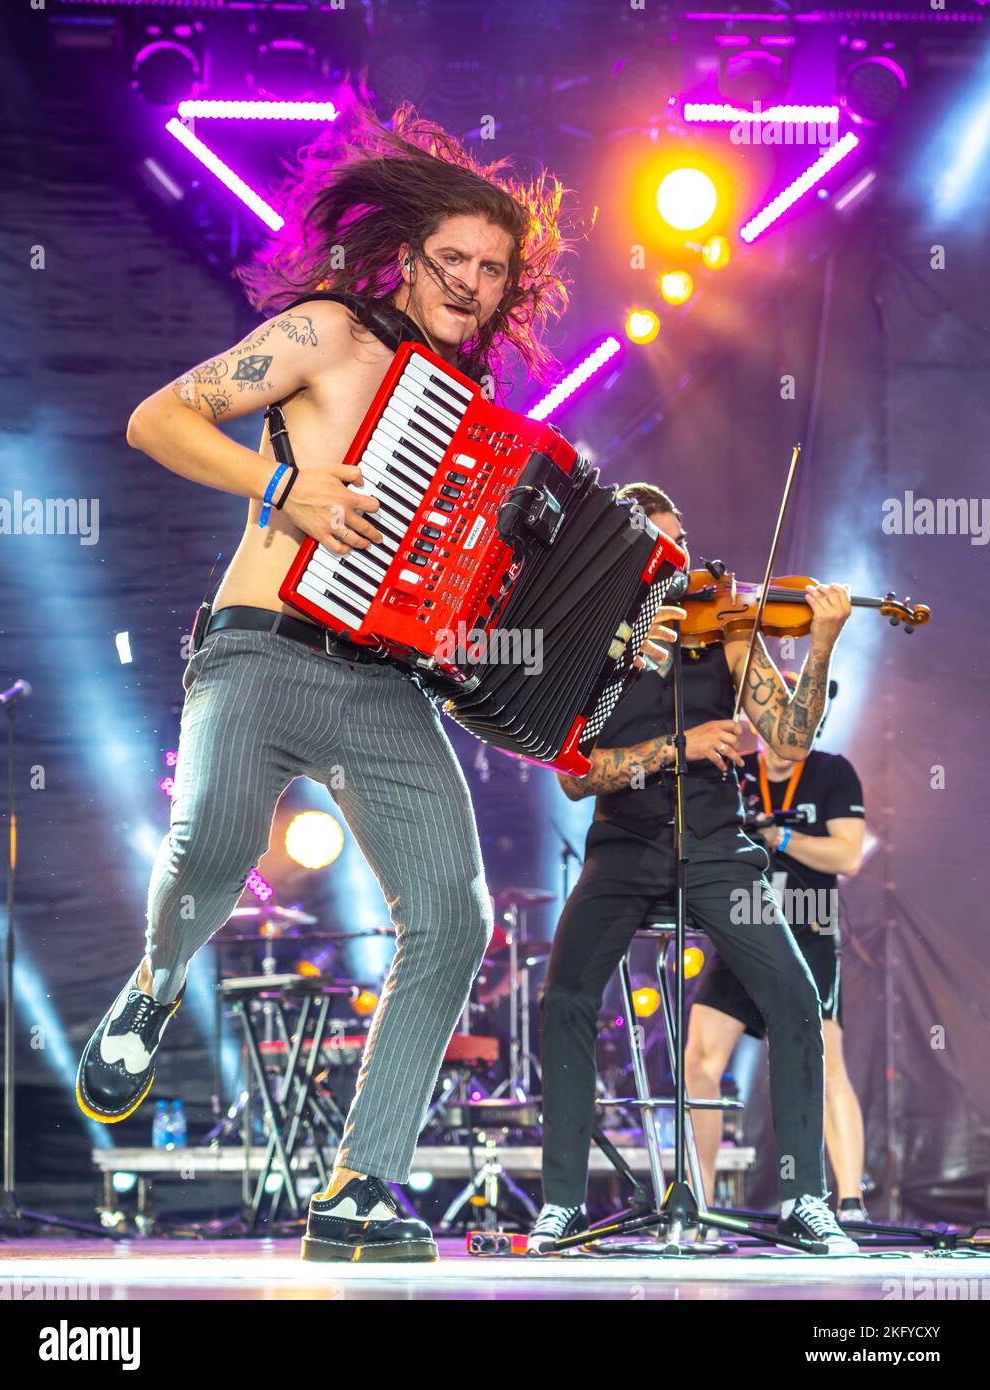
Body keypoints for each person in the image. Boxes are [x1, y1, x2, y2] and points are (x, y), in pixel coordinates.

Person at [75, 102, 570, 1262]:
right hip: (258, 643)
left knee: (453, 917)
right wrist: (276, 486)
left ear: (508, 290)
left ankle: (356, 1191)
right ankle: (152, 983)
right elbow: (158, 418)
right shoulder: (324, 334)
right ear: (406, 255)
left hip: (381, 683)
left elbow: (451, 571)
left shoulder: (472, 415)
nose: (467, 280)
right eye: (451, 257)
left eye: (491, 269)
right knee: (213, 842)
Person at [529, 483, 859, 1255]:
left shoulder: (727, 630)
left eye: (685, 550)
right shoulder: (589, 641)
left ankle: (807, 1201)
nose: (684, 571)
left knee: (794, 998)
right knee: (566, 995)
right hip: (623, 844)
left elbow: (789, 736)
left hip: (716, 844)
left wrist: (821, 643)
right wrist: (678, 748)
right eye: (663, 553)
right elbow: (574, 776)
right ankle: (562, 1204)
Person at [686, 702, 869, 1220]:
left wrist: (779, 836)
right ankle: (697, 1202)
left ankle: (850, 1201)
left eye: (802, 723)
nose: (790, 732)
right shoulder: (735, 769)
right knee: (697, 1062)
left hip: (808, 929)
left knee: (826, 1062)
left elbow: (848, 857)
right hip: (741, 929)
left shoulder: (833, 771)